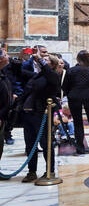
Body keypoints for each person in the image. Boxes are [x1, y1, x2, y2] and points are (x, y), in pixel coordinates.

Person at [20, 53, 63, 181]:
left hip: (41, 114)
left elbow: (51, 77)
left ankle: (50, 171)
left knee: (46, 143)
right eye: (42, 59)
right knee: (30, 144)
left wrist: (40, 61)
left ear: (53, 65)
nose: (42, 61)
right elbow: (20, 72)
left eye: (46, 60)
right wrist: (21, 59)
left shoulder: (53, 76)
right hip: (28, 113)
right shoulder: (37, 75)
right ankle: (31, 171)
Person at [62, 50, 89, 154]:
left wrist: (70, 93)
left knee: (77, 123)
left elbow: (64, 86)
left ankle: (80, 148)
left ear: (78, 59)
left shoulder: (71, 70)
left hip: (74, 97)